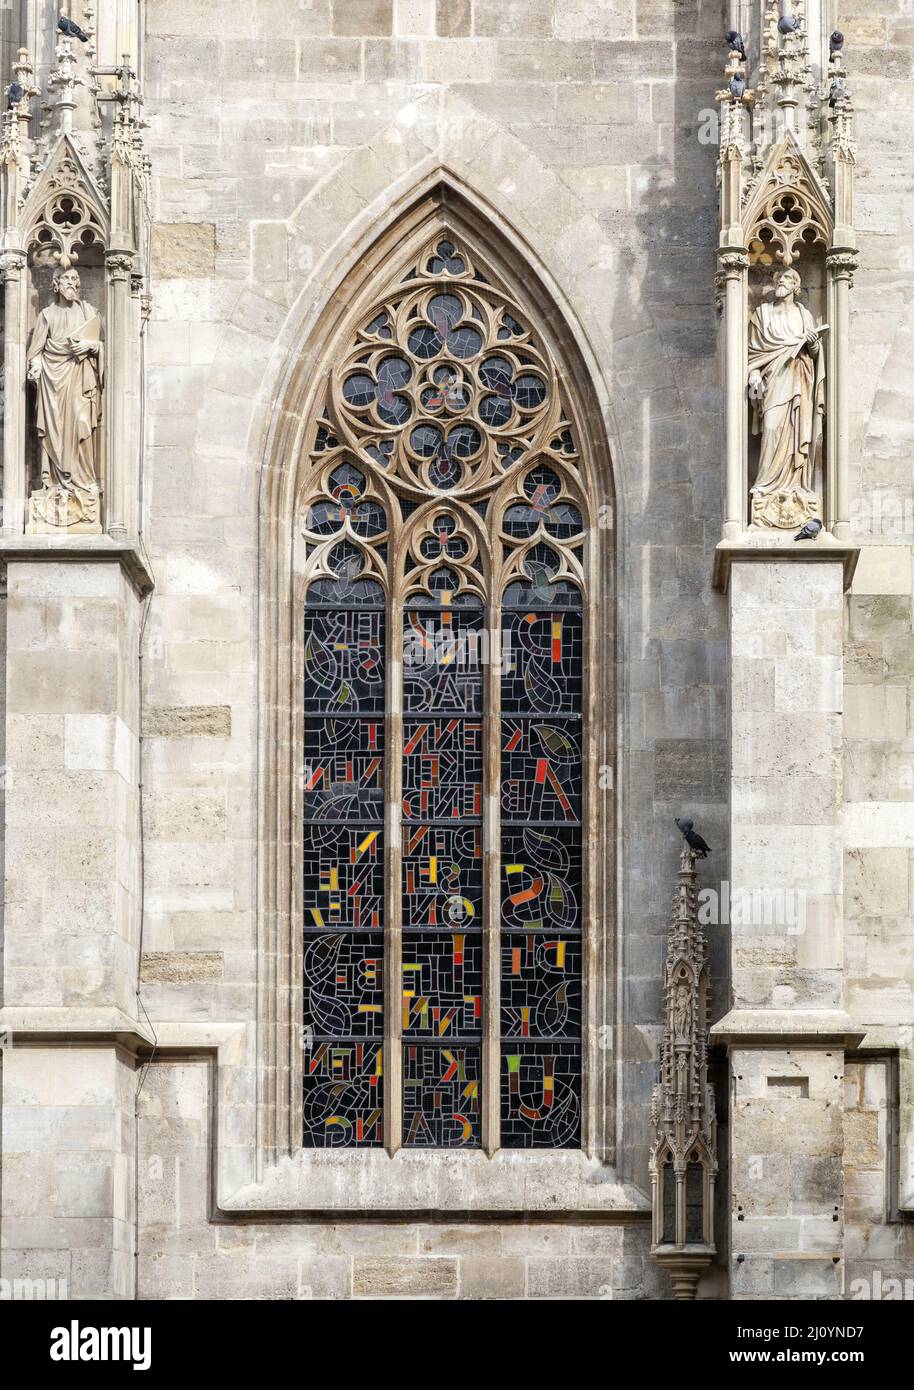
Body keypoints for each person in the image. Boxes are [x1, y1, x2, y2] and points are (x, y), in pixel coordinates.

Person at [747, 266, 825, 528]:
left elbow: (815, 356)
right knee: (771, 428)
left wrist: (813, 343)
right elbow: (752, 354)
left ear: (795, 286)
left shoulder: (804, 315)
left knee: (796, 433)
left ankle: (795, 485)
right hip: (772, 382)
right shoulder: (762, 314)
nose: (781, 281)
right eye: (778, 278)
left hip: (799, 380)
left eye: (787, 279)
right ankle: (766, 484)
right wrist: (754, 374)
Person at [27, 265, 103, 526]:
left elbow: (100, 344)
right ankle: (54, 484)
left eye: (76, 278)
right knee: (53, 430)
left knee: (82, 425)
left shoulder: (89, 312)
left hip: (80, 379)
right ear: (56, 284)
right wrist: (35, 364)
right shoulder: (46, 315)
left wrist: (91, 346)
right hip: (52, 384)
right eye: (67, 279)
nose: (73, 283)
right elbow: (36, 349)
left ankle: (83, 482)